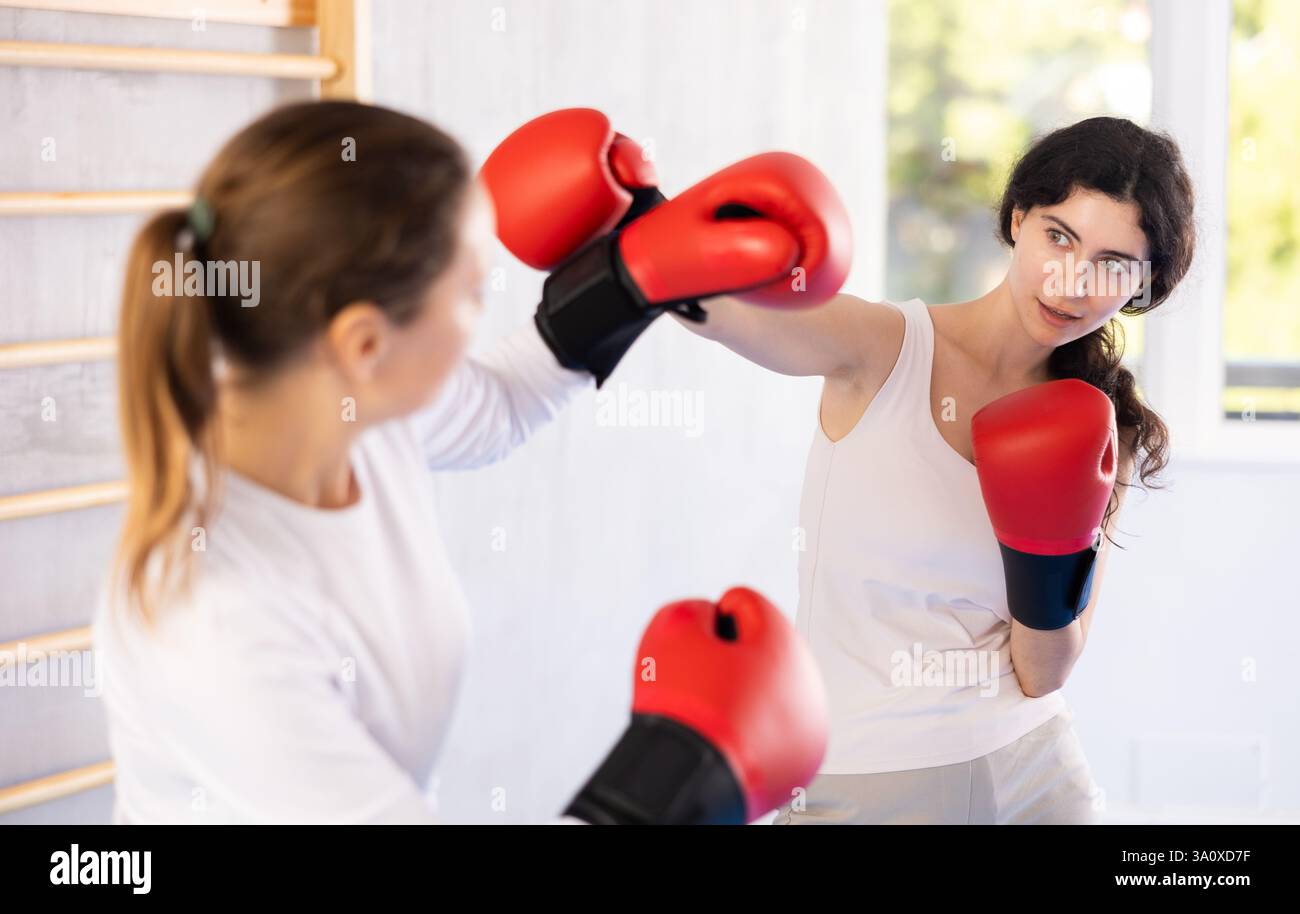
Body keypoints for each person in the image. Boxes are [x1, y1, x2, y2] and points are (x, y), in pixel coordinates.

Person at [92, 101, 845, 824]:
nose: (482, 311)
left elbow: (498, 405)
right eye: (473, 292)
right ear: (363, 345)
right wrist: (678, 777)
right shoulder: (221, 617)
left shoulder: (346, 417)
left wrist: (626, 281)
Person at [667, 117, 1196, 824]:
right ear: (1018, 219)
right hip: (867, 775)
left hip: (1035, 773)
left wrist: (1045, 549)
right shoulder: (886, 348)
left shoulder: (1106, 425)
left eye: (1111, 262)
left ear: (1142, 283)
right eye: (1059, 236)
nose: (1072, 279)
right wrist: (645, 233)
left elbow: (1043, 673)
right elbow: (723, 312)